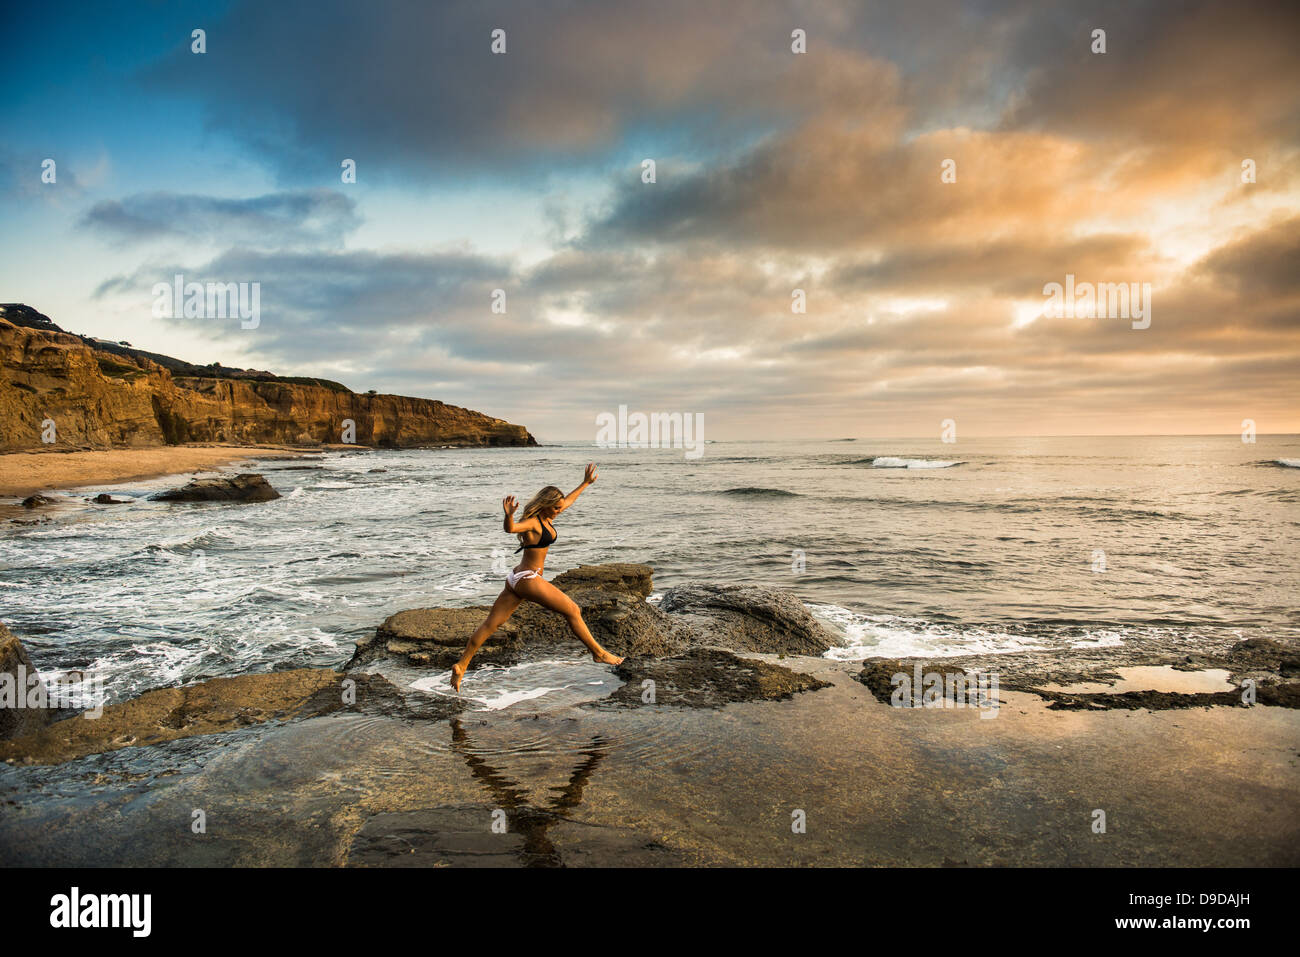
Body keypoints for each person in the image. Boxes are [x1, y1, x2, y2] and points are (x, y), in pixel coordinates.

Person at [450, 463, 624, 691]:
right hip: (528, 579)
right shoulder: (533, 523)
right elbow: (511, 529)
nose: (559, 510)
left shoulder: (548, 518)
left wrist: (585, 483)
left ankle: (461, 666)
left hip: (515, 578)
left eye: (560, 508)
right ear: (546, 506)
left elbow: (568, 501)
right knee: (573, 610)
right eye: (556, 508)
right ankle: (599, 654)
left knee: (491, 624)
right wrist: (509, 516)